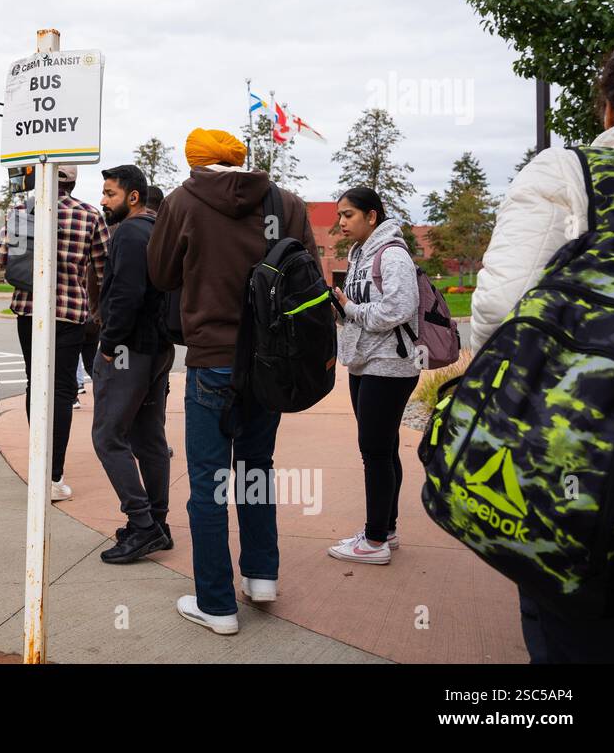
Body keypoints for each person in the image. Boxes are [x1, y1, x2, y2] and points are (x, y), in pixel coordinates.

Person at [470, 41, 614, 663]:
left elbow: (503, 306)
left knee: (573, 632)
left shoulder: (570, 172)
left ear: (609, 106)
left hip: (587, 468)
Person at [148, 128, 318, 635]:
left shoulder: (183, 201)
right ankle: (262, 576)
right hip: (269, 361)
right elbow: (304, 267)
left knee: (207, 483)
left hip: (213, 359)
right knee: (256, 469)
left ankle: (217, 605)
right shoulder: (286, 202)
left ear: (197, 162)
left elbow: (160, 274)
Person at [0, 164, 109, 501]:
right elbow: (104, 270)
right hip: (69, 313)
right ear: (73, 181)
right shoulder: (90, 215)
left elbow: (0, 257)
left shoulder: (19, 211)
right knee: (61, 390)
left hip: (28, 311)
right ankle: (53, 476)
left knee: (35, 383)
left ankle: (38, 462)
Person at [326, 187, 420, 565]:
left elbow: (398, 307)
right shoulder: (359, 253)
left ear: (372, 216)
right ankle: (388, 529)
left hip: (390, 364)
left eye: (348, 215)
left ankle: (375, 540)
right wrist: (343, 308)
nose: (341, 222)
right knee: (384, 448)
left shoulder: (392, 253)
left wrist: (351, 309)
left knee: (375, 451)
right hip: (366, 361)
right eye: (339, 215)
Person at [91, 164, 175, 563]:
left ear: (133, 196)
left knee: (108, 437)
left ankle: (142, 525)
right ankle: (158, 524)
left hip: (129, 351)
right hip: (160, 351)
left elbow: (126, 294)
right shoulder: (159, 229)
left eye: (110, 194)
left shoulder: (126, 233)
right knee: (149, 439)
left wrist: (108, 345)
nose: (104, 201)